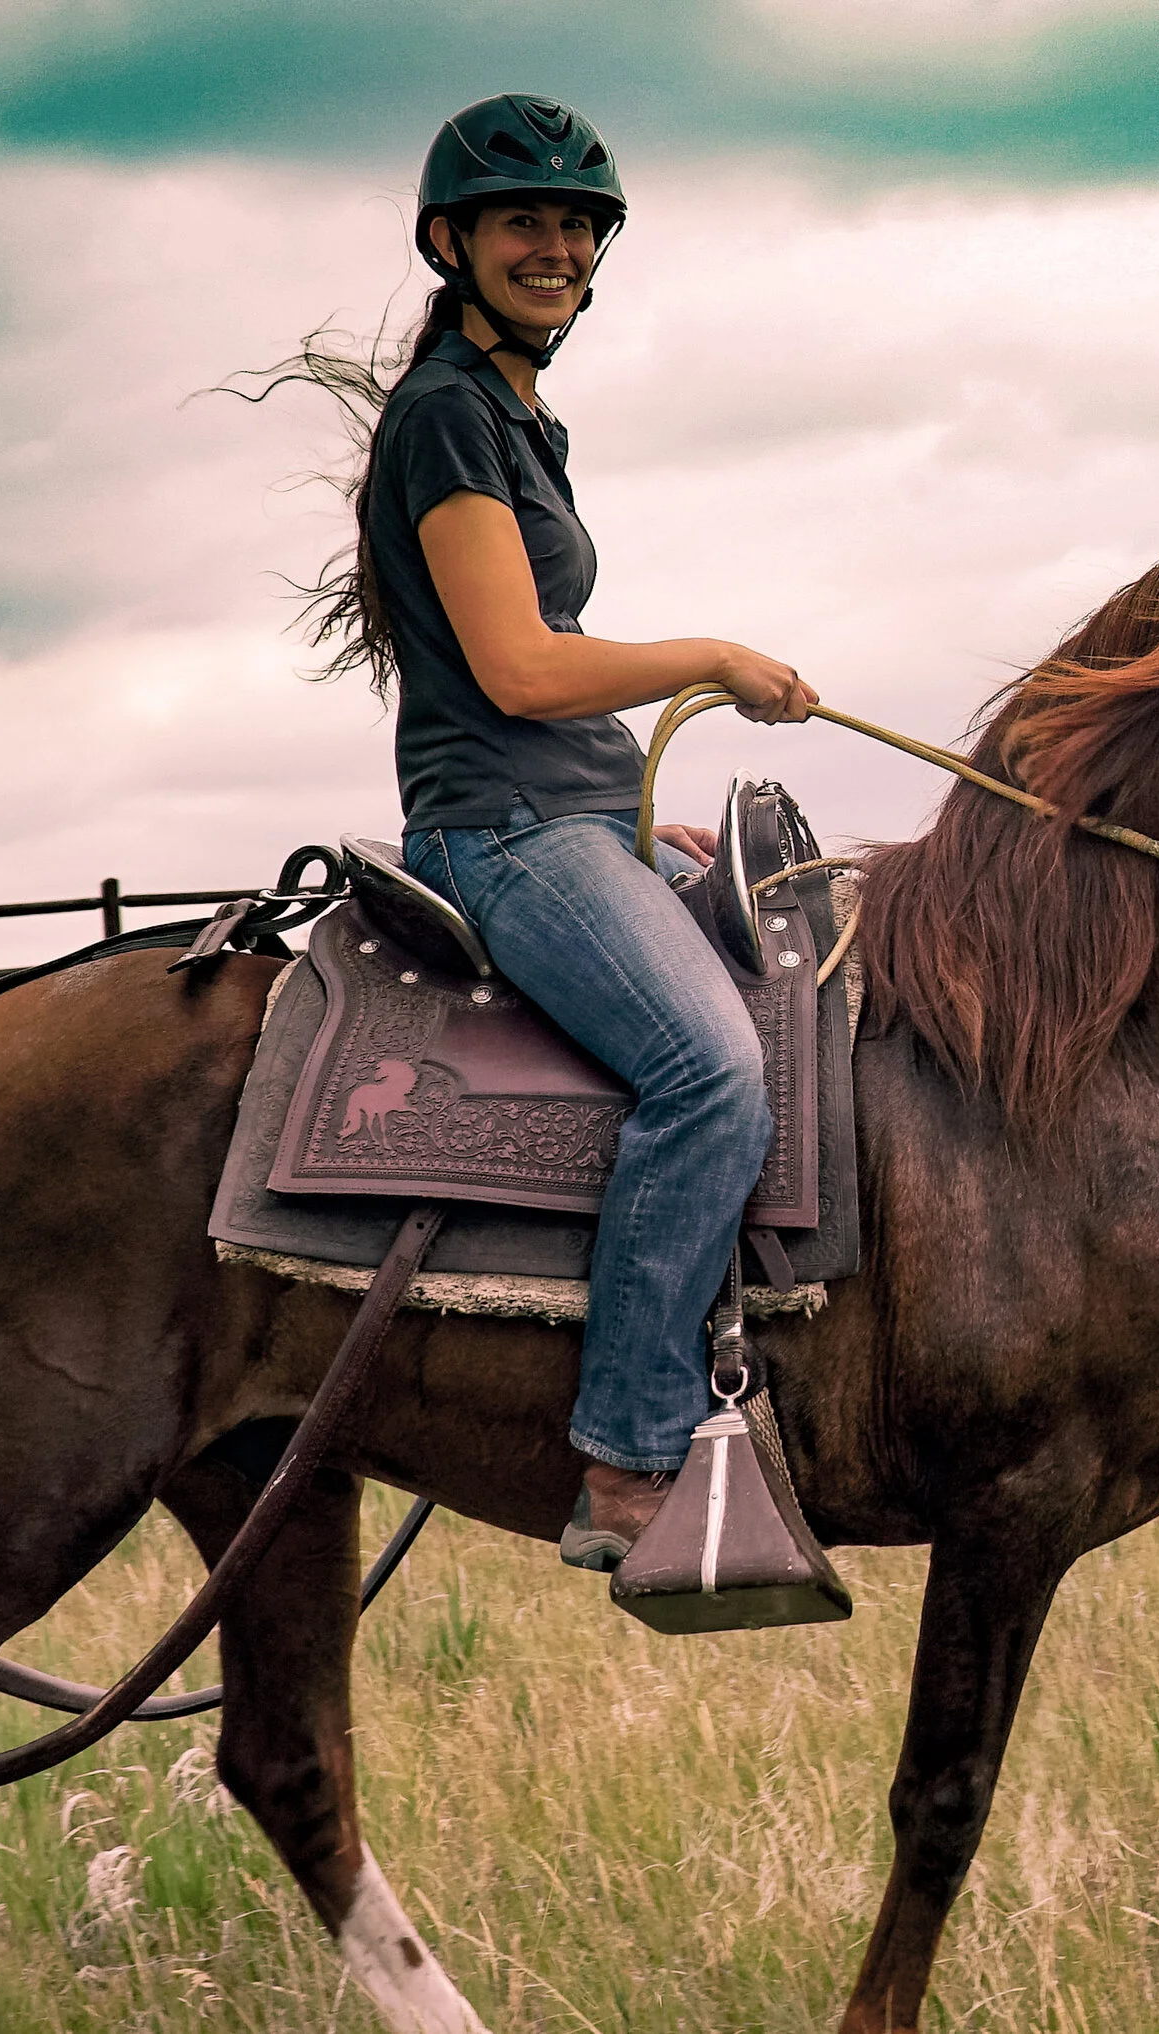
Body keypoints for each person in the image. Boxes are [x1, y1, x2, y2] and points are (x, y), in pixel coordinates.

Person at [304, 94, 815, 1571]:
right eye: (523, 219)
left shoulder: (521, 414)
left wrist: (653, 825)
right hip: (504, 828)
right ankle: (630, 1457)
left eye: (579, 224)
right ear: (452, 243)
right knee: (708, 1071)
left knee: (806, 939)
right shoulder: (450, 418)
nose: (557, 244)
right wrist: (709, 656)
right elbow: (522, 670)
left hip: (576, 806)